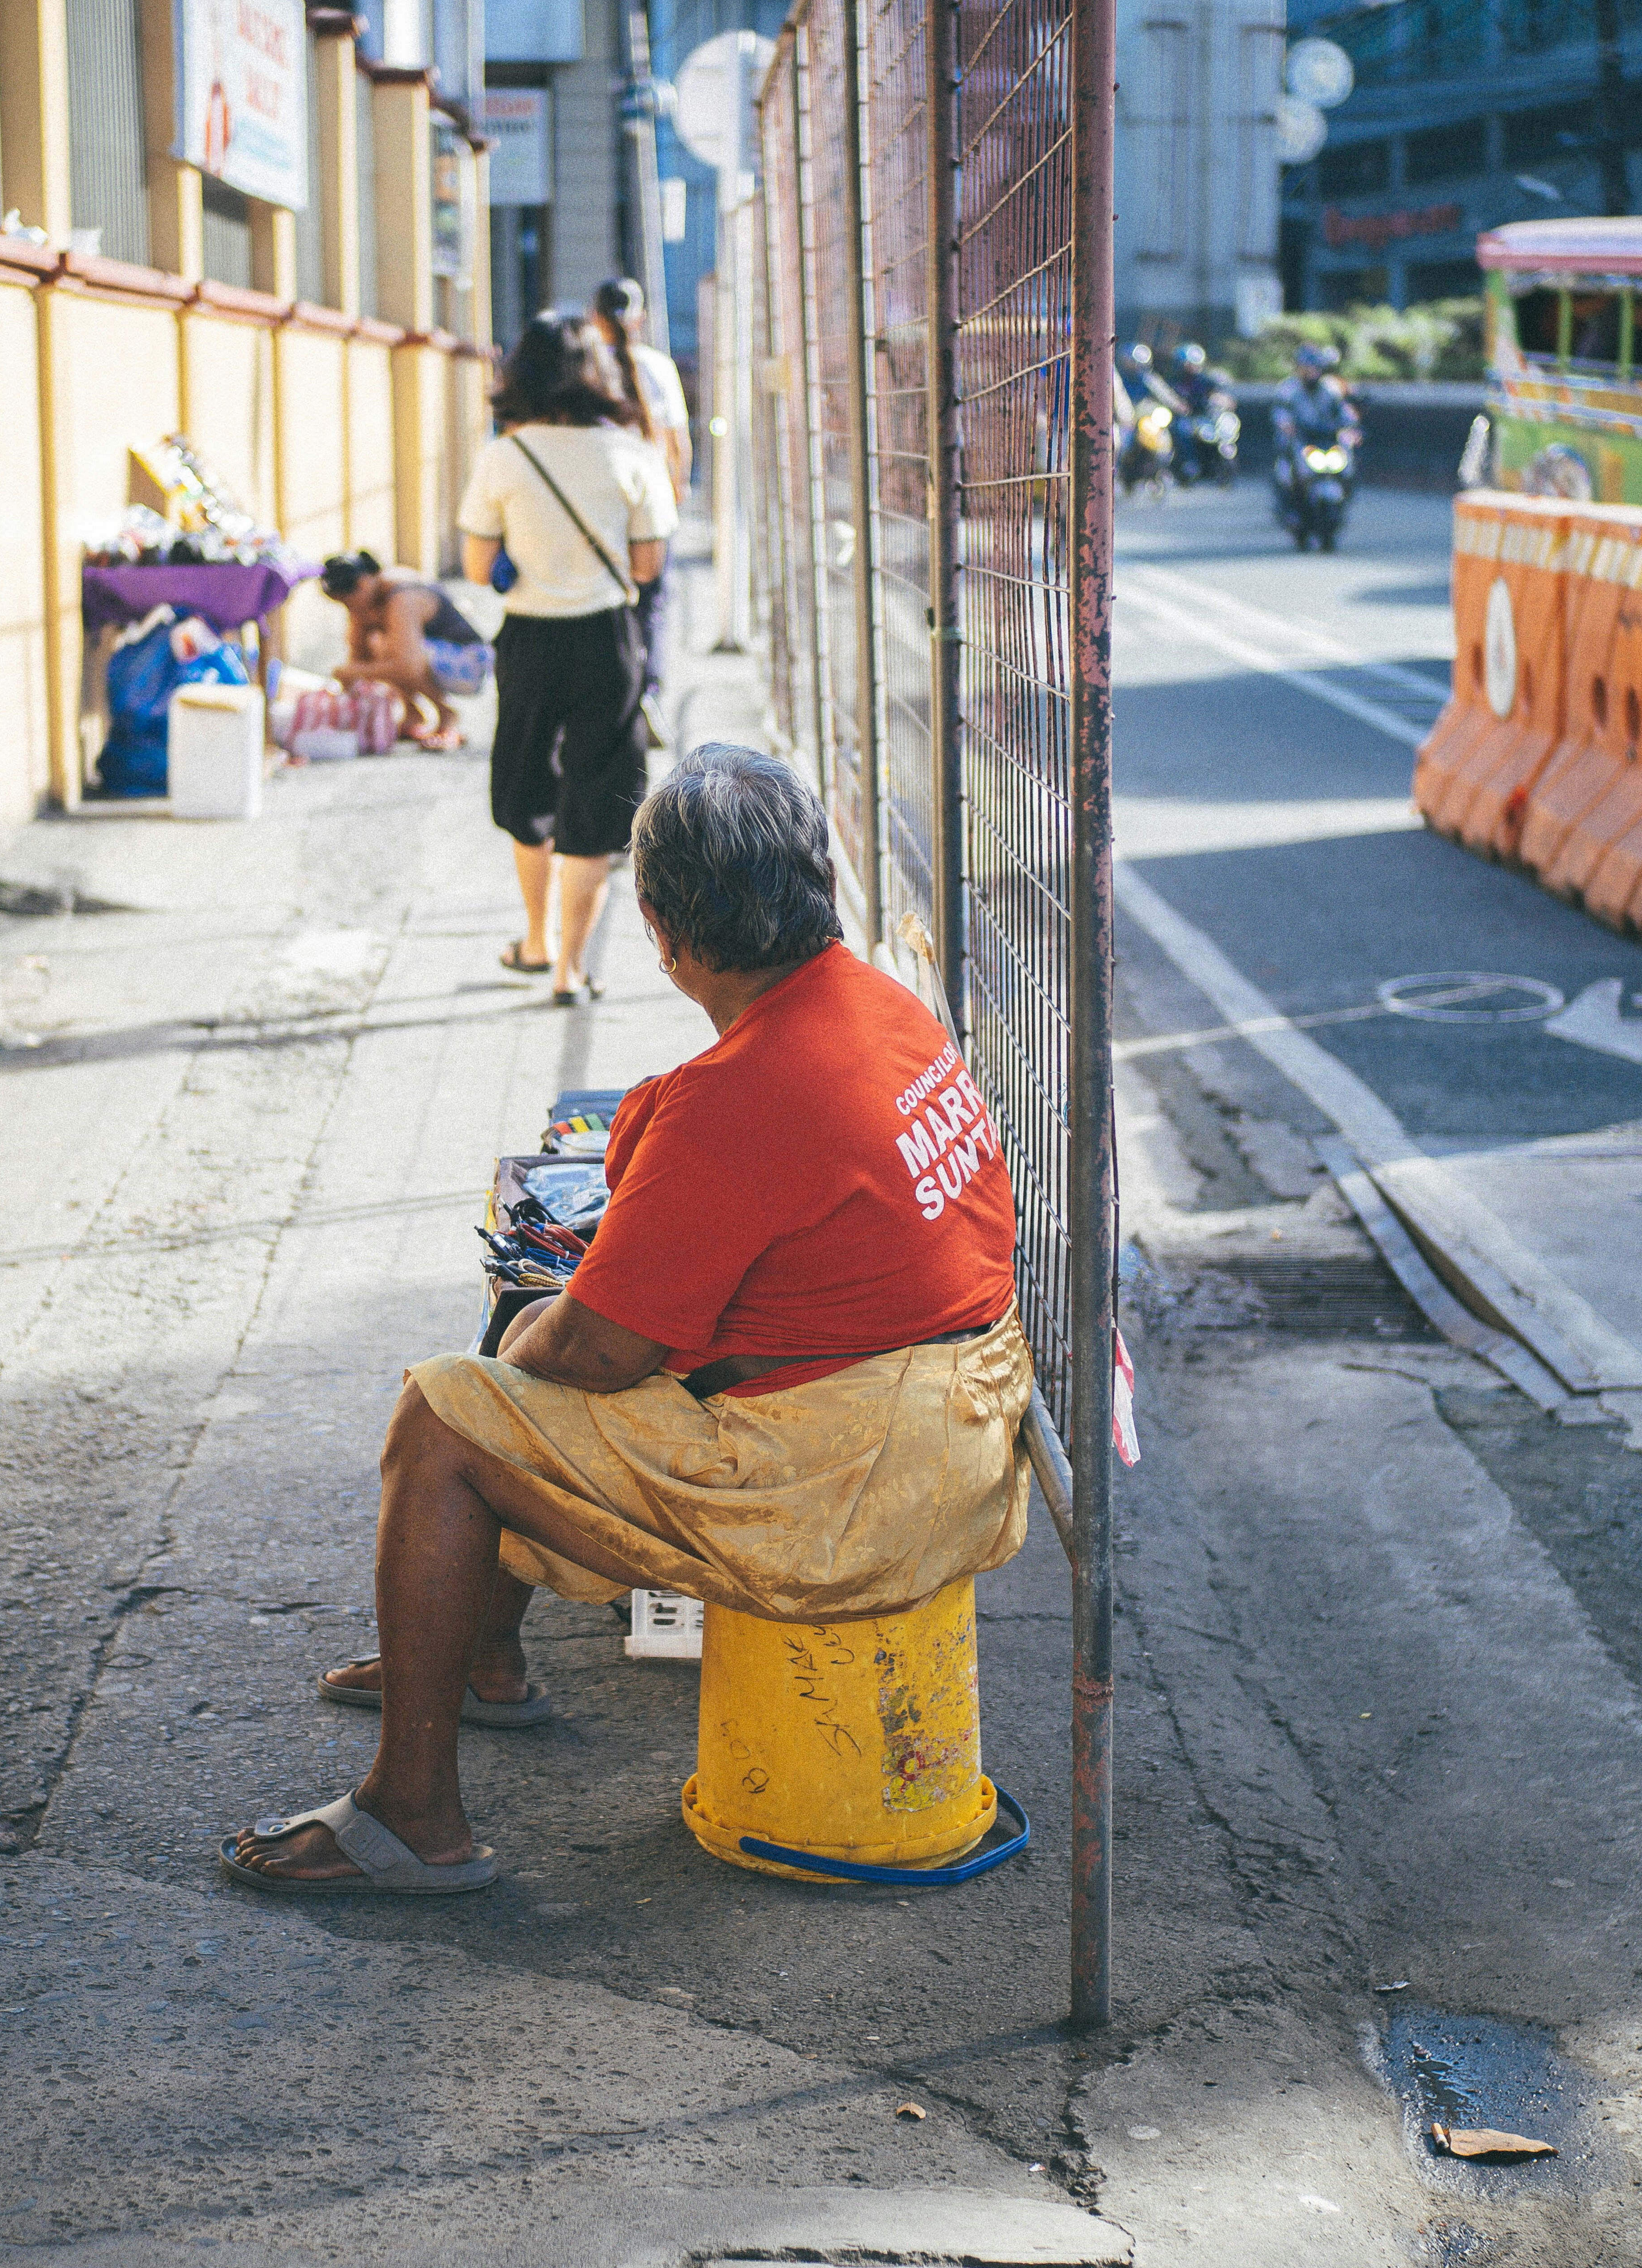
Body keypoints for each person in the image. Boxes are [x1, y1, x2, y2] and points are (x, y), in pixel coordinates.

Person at [222, 744, 1034, 1895]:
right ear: (814, 881)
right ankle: (483, 1656)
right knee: (515, 1374)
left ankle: (412, 1814)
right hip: (956, 1438)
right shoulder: (883, 1007)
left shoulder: (731, 1101)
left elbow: (596, 1349)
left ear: (660, 931)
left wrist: (520, 1335)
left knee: (448, 1417)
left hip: (854, 1487)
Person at [456, 313, 678, 1004]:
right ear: (599, 375)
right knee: (596, 794)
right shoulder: (632, 455)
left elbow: (474, 565)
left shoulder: (503, 457)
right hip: (605, 642)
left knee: (527, 789)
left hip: (528, 639)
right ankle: (571, 970)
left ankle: (534, 938)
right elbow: (647, 568)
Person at [591, 277, 691, 696]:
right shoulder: (658, 368)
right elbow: (677, 443)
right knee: (652, 599)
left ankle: (612, 688)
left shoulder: (586, 366)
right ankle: (648, 692)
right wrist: (676, 492)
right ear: (641, 319)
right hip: (651, 502)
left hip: (600, 500)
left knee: (605, 597)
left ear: (595, 319)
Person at [319, 553, 482, 748]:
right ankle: (413, 716)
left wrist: (353, 672)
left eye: (348, 602)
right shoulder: (369, 597)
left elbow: (407, 666)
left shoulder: (401, 595)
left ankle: (447, 714)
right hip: (434, 654)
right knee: (380, 646)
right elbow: (358, 655)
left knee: (387, 648)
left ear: (363, 584)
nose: (349, 609)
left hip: (470, 663)